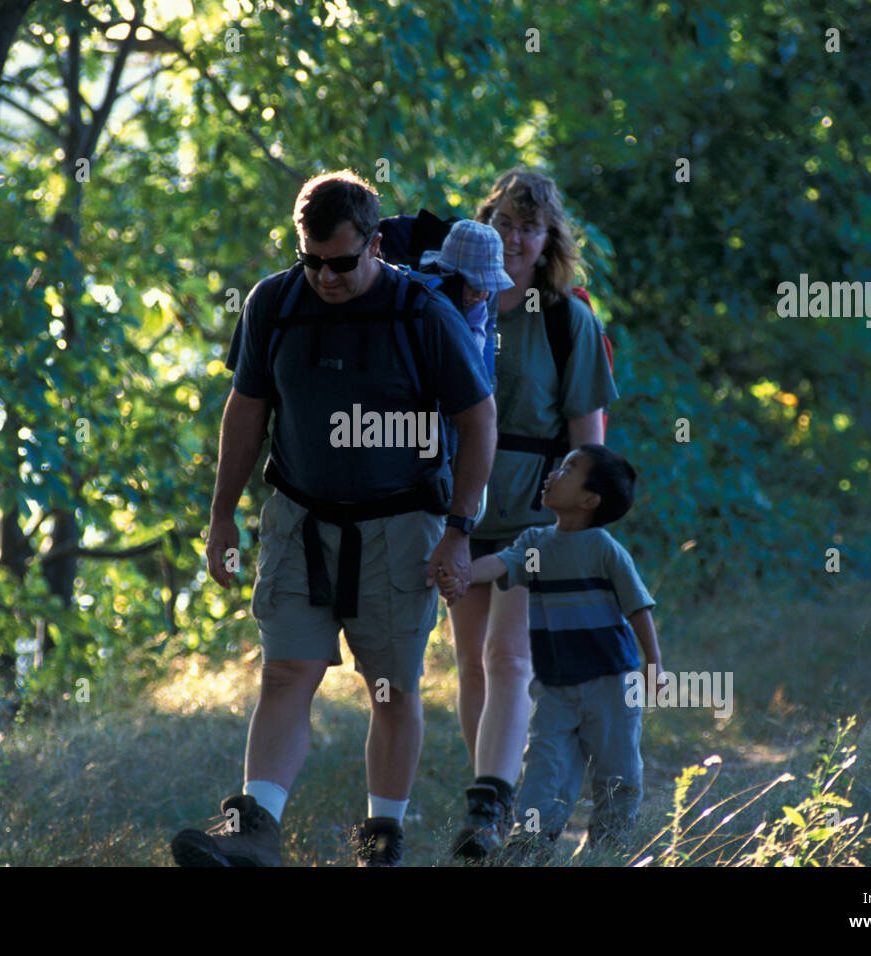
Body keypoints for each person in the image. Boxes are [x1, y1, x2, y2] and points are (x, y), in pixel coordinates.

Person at [170, 170, 497, 867]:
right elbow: (246, 409)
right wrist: (221, 517)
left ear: (376, 244)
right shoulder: (273, 304)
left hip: (401, 524)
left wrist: (459, 531)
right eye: (310, 260)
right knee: (287, 671)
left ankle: (383, 838)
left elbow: (479, 419)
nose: (325, 276)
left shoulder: (420, 312)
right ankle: (255, 829)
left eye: (342, 262)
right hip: (298, 517)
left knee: (392, 688)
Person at [447, 168, 620, 861]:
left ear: (549, 240)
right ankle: (495, 798)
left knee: (507, 654)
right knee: (469, 664)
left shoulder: (566, 321)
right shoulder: (454, 307)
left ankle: (488, 803)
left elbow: (589, 440)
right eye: (505, 224)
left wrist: (577, 528)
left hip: (534, 514)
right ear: (486, 227)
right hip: (461, 507)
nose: (515, 238)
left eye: (529, 227)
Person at [439, 444, 663, 863]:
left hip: (611, 684)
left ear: (588, 500)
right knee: (543, 768)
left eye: (568, 469)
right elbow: (500, 565)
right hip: (555, 687)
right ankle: (528, 849)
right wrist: (464, 575)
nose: (552, 474)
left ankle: (607, 851)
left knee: (617, 774)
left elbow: (638, 609)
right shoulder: (535, 542)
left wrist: (654, 665)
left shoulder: (604, 549)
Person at [418, 218, 516, 357]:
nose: (479, 295)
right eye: (472, 284)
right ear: (446, 277)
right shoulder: (423, 296)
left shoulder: (481, 306)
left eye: (487, 286)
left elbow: (481, 353)